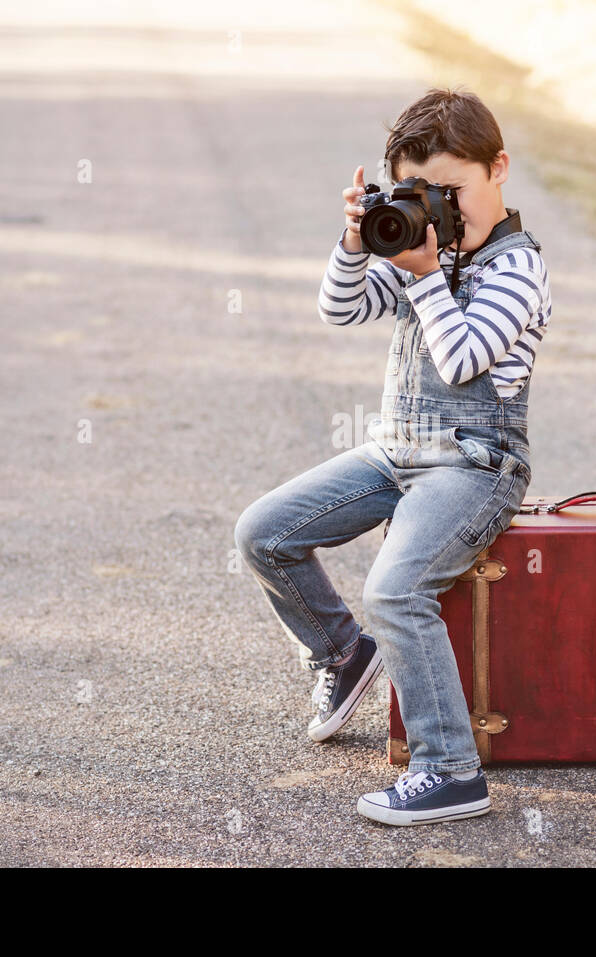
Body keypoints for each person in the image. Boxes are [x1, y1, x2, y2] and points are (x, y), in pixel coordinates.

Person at [234, 87, 551, 826]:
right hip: (395, 453)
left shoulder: (517, 269)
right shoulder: (416, 250)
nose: (438, 208)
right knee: (263, 532)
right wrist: (356, 244)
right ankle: (343, 654)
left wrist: (424, 274)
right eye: (419, 193)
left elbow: (466, 356)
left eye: (452, 191)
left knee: (396, 588)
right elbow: (338, 308)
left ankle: (449, 770)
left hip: (476, 465)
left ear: (499, 168)